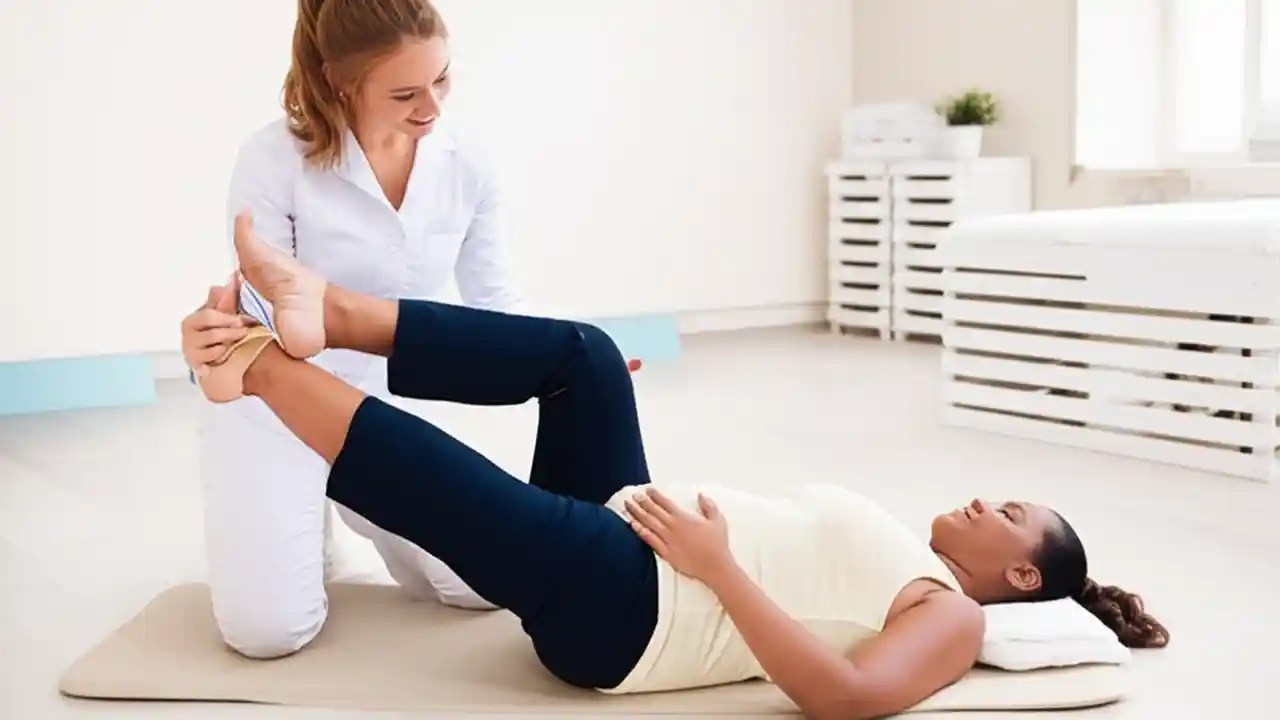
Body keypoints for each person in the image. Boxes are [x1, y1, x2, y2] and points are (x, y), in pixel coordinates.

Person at [185, 215, 1170, 719]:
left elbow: (844, 699)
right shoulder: (903, 565)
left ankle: (255, 364)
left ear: (1022, 576)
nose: (976, 500)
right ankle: (333, 311)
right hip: (634, 539)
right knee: (586, 359)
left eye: (1004, 512)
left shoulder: (951, 614)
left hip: (634, 615)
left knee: (457, 492)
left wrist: (716, 568)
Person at [181, 0, 546, 659]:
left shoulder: (467, 162)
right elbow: (258, 329)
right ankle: (301, 505)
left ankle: (355, 495)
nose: (431, 108)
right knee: (268, 634)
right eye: (405, 92)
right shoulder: (273, 159)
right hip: (280, 399)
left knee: (485, 585)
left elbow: (494, 299)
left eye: (441, 80)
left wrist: (568, 359)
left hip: (396, 398)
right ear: (339, 79)